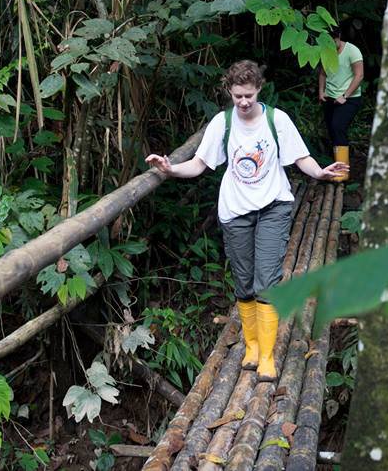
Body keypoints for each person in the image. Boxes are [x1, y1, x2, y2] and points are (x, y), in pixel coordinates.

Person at [145, 61, 347, 382]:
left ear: (259, 90)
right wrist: (169, 169)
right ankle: (251, 345)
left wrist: (320, 172)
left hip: (273, 206)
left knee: (265, 282)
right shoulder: (222, 123)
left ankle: (267, 355)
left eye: (249, 95)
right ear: (229, 91)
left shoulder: (276, 120)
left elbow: (299, 157)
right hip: (235, 211)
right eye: (238, 95)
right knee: (244, 282)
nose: (243, 102)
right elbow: (199, 165)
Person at [318, 19, 364, 182]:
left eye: (333, 41)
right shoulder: (325, 51)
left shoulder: (352, 51)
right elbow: (323, 73)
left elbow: (359, 75)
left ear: (339, 37)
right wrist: (321, 91)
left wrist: (345, 95)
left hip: (349, 98)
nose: (331, 45)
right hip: (330, 97)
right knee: (332, 130)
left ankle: (343, 172)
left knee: (338, 127)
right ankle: (337, 166)